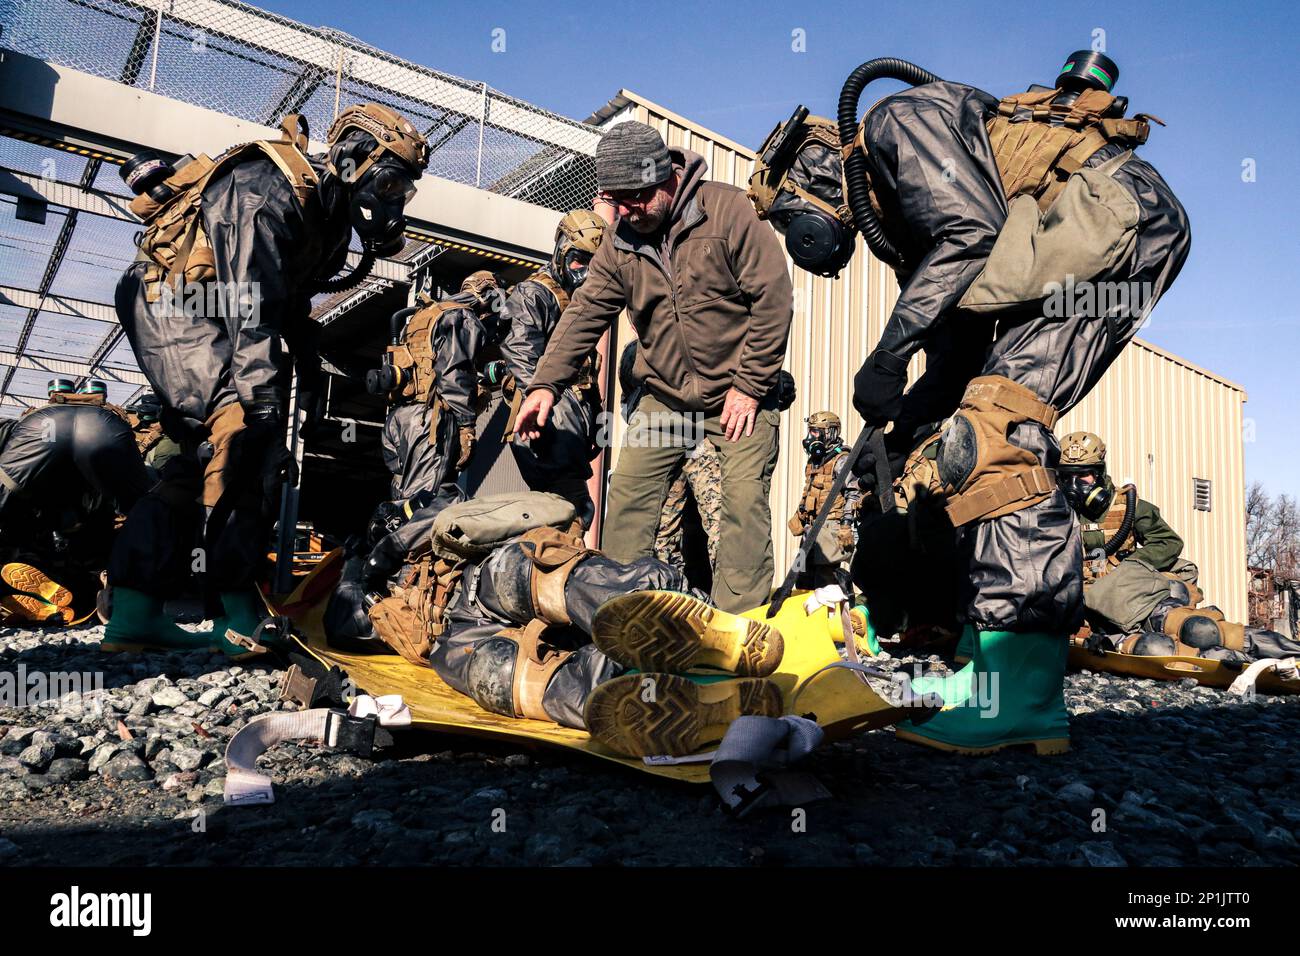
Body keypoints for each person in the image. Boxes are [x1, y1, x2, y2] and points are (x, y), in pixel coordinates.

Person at [750, 50, 1190, 754]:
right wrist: (904, 414)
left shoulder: (897, 120)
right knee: (970, 426)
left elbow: (972, 234)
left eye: (790, 219)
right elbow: (957, 352)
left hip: (1114, 222)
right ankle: (992, 671)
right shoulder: (910, 203)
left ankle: (1018, 697)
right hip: (1109, 229)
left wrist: (889, 354)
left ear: (809, 179)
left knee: (999, 437)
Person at [106, 103, 428, 653]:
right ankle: (237, 614)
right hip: (173, 305)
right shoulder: (265, 190)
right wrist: (263, 400)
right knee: (245, 430)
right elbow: (249, 305)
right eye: (391, 182)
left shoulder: (325, 214)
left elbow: (288, 303)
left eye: (405, 190)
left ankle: (132, 615)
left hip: (209, 310)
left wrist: (304, 366)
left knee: (196, 461)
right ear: (353, 161)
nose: (394, 201)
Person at [513, 121, 795, 613]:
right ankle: (622, 617)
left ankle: (736, 631)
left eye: (635, 198)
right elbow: (585, 313)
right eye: (615, 201)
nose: (624, 212)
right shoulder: (619, 243)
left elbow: (773, 300)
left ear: (665, 178)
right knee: (627, 500)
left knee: (741, 507)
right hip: (664, 397)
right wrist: (544, 386)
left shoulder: (727, 213)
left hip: (739, 392)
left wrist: (750, 386)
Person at [356, 492, 789, 757]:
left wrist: (393, 545)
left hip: (472, 579)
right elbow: (346, 622)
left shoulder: (430, 513)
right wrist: (360, 574)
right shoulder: (361, 587)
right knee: (499, 673)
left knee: (521, 575)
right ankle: (677, 701)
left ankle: (659, 611)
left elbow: (445, 507)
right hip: (450, 639)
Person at [1059, 431, 1300, 662]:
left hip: (1134, 594)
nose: (1074, 485)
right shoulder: (1052, 516)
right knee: (1154, 648)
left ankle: (1289, 654)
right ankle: (1227, 664)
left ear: (1100, 474)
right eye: (1066, 477)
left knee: (1201, 630)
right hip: (1087, 610)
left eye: (1083, 475)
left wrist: (1129, 569)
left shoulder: (1129, 507)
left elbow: (1168, 542)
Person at [490, 210, 608, 525]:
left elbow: (584, 368)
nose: (584, 272)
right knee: (570, 509)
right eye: (579, 260)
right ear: (560, 251)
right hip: (548, 421)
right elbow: (521, 355)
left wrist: (596, 419)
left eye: (594, 264)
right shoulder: (534, 293)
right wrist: (549, 407)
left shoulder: (581, 302)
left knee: (560, 511)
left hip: (569, 420)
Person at [0, 380, 153, 623]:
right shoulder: (113, 416)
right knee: (142, 517)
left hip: (43, 428)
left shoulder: (38, 413)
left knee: (11, 514)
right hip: (103, 431)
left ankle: (19, 570)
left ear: (52, 394)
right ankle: (121, 591)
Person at [375, 270, 503, 511]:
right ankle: (407, 546)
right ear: (486, 294)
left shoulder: (422, 315)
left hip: (401, 419)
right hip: (430, 422)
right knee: (426, 504)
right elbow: (454, 374)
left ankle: (390, 545)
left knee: (403, 501)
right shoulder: (462, 316)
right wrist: (467, 427)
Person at [789, 412, 861, 589]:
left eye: (815, 432)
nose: (810, 437)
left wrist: (846, 525)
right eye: (810, 431)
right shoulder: (815, 460)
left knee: (825, 583)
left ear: (829, 432)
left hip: (829, 528)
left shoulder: (842, 459)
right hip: (810, 529)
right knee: (801, 579)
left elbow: (853, 492)